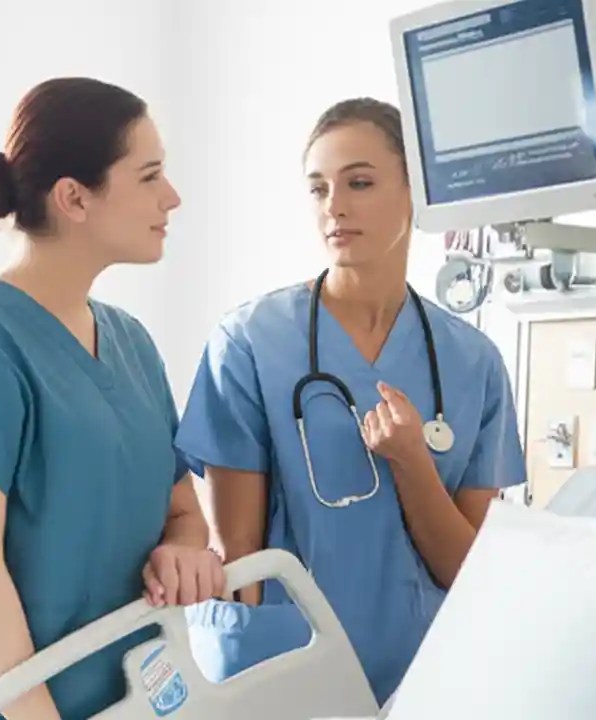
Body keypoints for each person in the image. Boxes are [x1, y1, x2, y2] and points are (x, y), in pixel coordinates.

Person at [176, 98, 527, 705]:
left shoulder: (473, 363)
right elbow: (243, 564)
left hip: (427, 678)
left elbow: (469, 572)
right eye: (318, 189)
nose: (334, 206)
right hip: (286, 673)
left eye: (359, 182)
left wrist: (413, 460)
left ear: (414, 190)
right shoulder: (251, 343)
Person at [0, 77, 225, 720]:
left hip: (118, 699)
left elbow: (182, 512)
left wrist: (184, 549)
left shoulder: (132, 344)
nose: (173, 197)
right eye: (150, 175)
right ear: (74, 197)